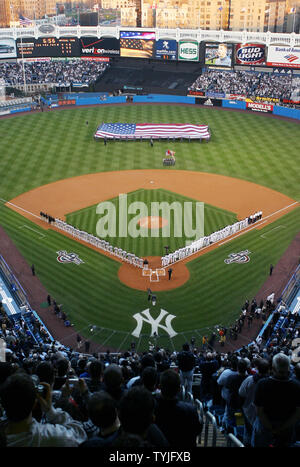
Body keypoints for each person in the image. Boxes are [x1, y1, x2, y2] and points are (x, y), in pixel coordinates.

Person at [0, 371, 87, 447]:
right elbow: (79, 433)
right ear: (34, 404)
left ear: (3, 404)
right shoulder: (53, 437)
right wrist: (50, 411)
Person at [251, 353, 300, 447]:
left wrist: (271, 429)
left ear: (272, 368)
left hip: (264, 430)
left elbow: (259, 411)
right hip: (286, 431)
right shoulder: (297, 386)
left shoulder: (262, 384)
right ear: (289, 368)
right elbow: (297, 413)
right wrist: (282, 428)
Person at [154, 369, 202, 447]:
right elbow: (197, 430)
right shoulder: (191, 410)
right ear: (179, 389)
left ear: (159, 387)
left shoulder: (150, 408)